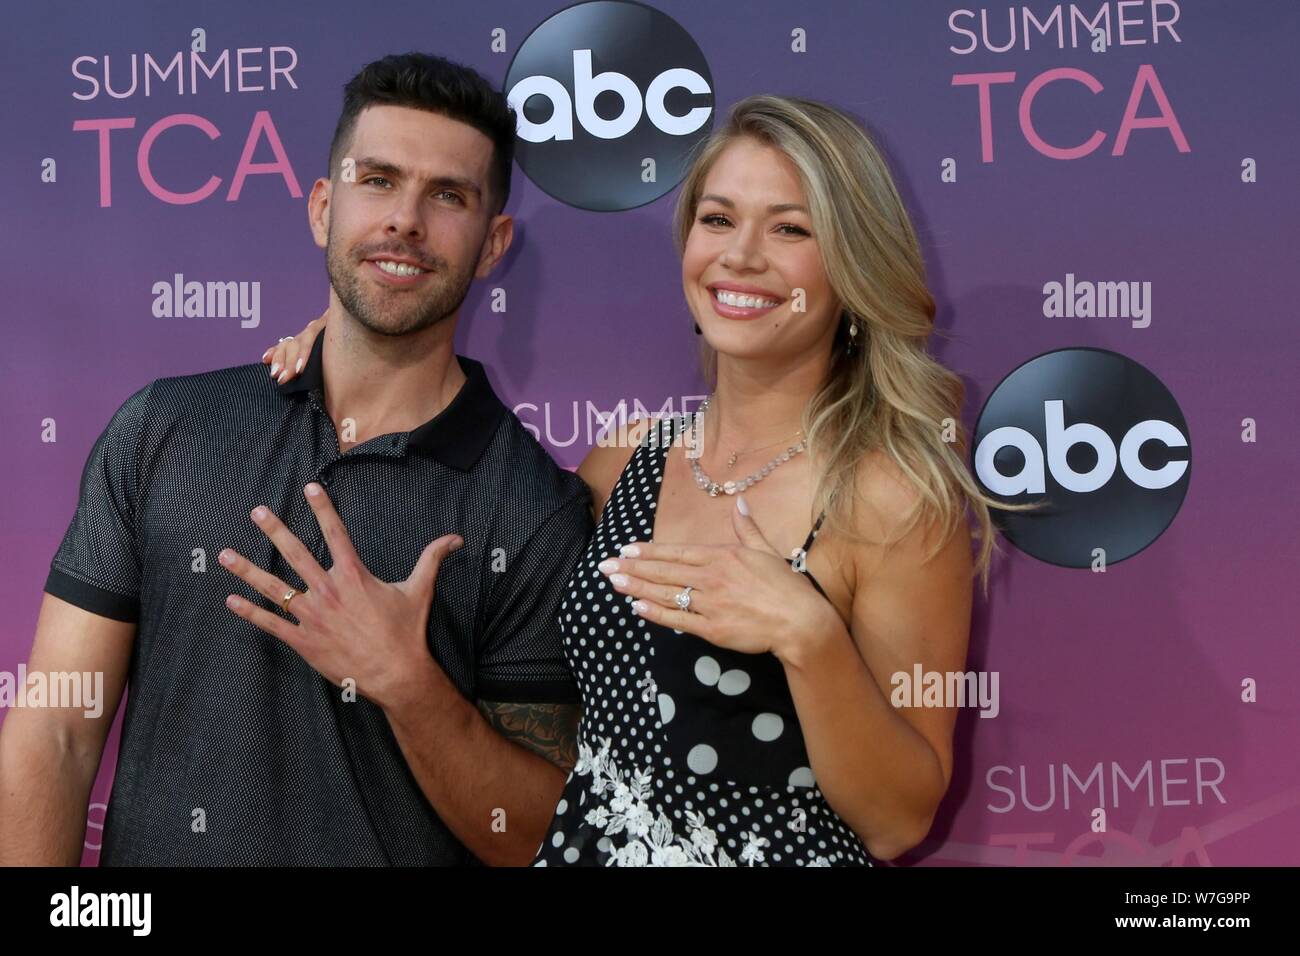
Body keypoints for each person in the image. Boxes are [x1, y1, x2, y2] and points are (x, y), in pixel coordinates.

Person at [265, 94, 1023, 866]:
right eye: (718, 219)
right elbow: (483, 515)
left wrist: (809, 635)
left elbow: (898, 822)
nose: (741, 255)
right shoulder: (626, 459)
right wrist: (348, 349)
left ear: (851, 263)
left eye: (791, 228)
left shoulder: (890, 499)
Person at [0, 53, 590, 866]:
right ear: (322, 208)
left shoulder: (534, 509)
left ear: (493, 245)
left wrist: (409, 686)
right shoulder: (168, 427)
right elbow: (60, 728)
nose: (405, 221)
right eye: (377, 180)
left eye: (447, 195)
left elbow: (532, 839)